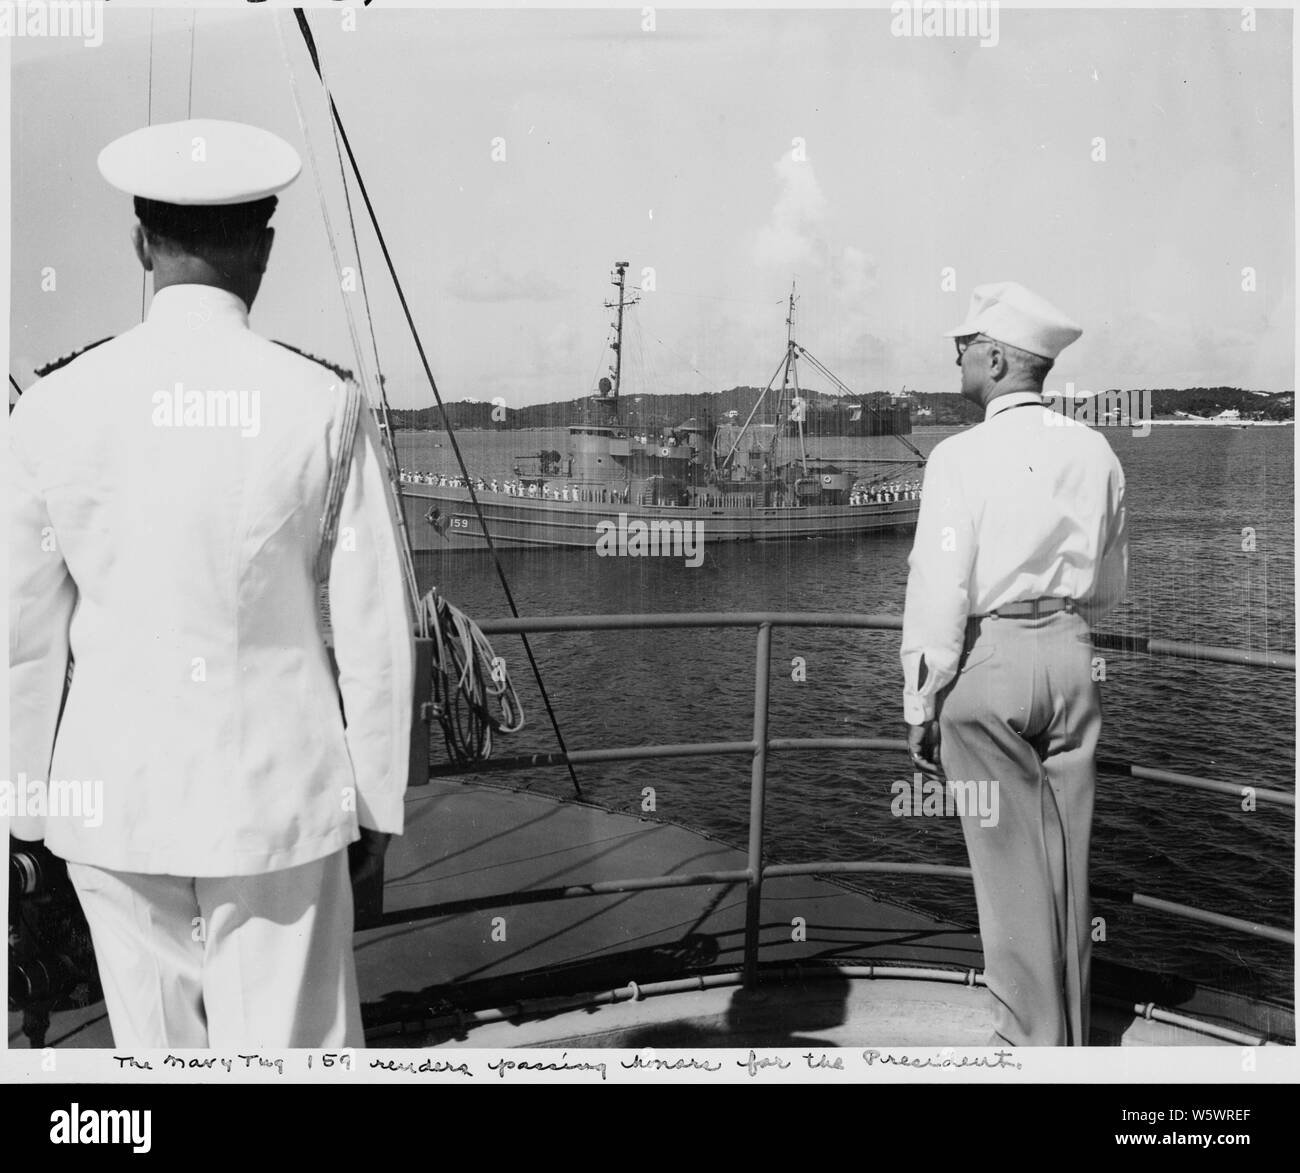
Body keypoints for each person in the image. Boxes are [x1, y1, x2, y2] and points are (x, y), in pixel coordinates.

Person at [8, 119, 415, 1048]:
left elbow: (19, 638)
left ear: (141, 243)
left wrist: (27, 810)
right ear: (264, 250)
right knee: (293, 1053)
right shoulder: (324, 406)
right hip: (279, 807)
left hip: (114, 810)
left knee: (156, 1058)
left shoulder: (51, 409)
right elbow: (375, 632)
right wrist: (377, 802)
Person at [900, 281, 1128, 1047]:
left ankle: (1029, 1045)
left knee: (1008, 876)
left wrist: (920, 702)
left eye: (964, 345)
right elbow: (1112, 583)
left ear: (996, 358)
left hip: (990, 660)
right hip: (1071, 654)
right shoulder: (1094, 449)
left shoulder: (957, 457)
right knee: (1068, 863)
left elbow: (940, 590)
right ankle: (1070, 1039)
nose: (957, 355)